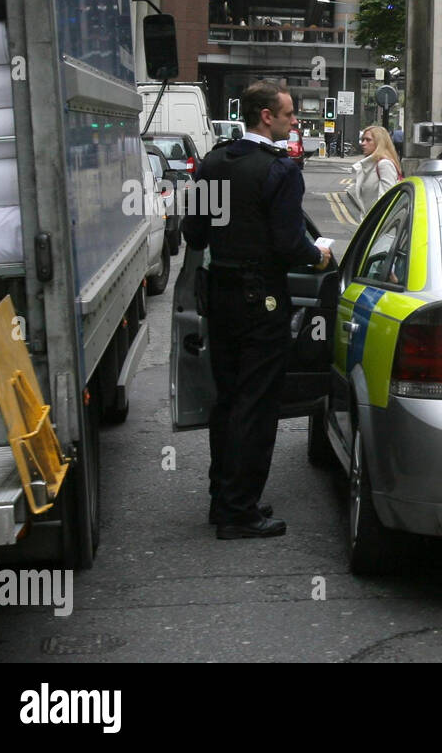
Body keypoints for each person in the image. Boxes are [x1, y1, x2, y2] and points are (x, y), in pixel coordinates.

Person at [183, 80, 332, 540]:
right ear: (266, 116)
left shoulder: (212, 163)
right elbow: (290, 245)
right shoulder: (280, 170)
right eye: (288, 115)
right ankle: (239, 512)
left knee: (227, 400)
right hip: (262, 298)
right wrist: (319, 256)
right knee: (257, 403)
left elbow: (193, 232)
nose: (294, 122)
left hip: (220, 295)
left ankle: (223, 499)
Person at [349, 125, 403, 215]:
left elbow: (386, 201)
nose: (363, 143)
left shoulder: (384, 164)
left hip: (377, 224)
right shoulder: (371, 164)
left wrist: (372, 224)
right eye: (363, 140)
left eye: (368, 140)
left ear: (379, 143)